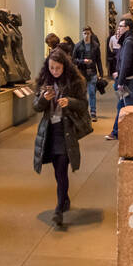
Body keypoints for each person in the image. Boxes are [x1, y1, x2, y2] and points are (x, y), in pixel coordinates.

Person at [32, 48, 90, 228]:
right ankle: (64, 199)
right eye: (51, 68)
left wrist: (69, 102)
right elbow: (36, 107)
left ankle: (58, 208)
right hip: (50, 130)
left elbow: (83, 105)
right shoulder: (44, 81)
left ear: (65, 66)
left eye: (57, 68)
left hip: (65, 130)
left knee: (63, 167)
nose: (54, 71)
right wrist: (43, 99)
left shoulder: (74, 81)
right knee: (58, 169)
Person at [105, 16, 133, 141]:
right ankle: (115, 132)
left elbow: (126, 63)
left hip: (127, 81)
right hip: (127, 79)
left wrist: (120, 80)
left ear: (127, 28)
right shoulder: (127, 40)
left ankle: (131, 135)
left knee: (129, 108)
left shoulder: (129, 42)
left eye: (121, 26)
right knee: (121, 106)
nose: (118, 28)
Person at [72, 25, 104, 120]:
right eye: (84, 33)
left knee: (92, 92)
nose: (86, 35)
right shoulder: (78, 46)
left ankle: (93, 112)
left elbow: (98, 60)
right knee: (82, 93)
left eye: (88, 33)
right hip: (82, 72)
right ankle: (82, 112)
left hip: (92, 72)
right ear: (82, 34)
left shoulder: (95, 46)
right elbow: (73, 60)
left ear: (91, 34)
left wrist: (101, 73)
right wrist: (82, 61)